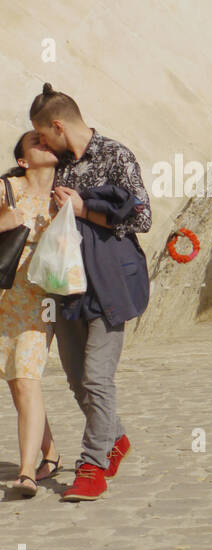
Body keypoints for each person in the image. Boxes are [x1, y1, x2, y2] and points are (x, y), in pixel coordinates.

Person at [32, 84, 152, 502]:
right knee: (75, 379)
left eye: (44, 135)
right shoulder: (57, 164)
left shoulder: (116, 155)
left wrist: (86, 211)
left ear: (59, 125)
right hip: (67, 287)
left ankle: (91, 467)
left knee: (98, 378)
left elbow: (143, 217)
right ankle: (114, 439)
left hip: (110, 284)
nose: (42, 144)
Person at [0, 132, 62, 496]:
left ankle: (26, 472)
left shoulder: (66, 193)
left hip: (43, 299)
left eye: (46, 139)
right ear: (23, 160)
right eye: (35, 142)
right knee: (18, 380)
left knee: (25, 377)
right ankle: (49, 453)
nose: (44, 143)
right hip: (5, 296)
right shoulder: (7, 188)